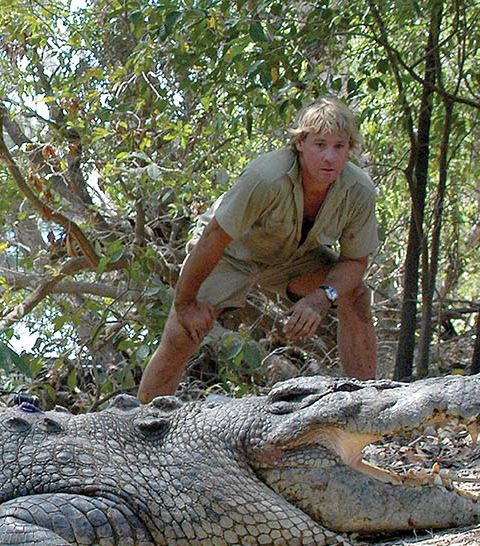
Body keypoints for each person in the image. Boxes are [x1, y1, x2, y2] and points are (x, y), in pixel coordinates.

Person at [137, 97, 379, 401]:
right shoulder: (266, 177)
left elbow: (355, 261)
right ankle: (144, 424)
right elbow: (213, 238)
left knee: (355, 293)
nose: (329, 157)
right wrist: (185, 305)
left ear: (349, 148)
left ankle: (368, 403)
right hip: (231, 253)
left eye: (339, 146)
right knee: (182, 332)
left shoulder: (358, 190)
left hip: (293, 259)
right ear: (300, 143)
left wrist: (322, 296)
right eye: (320, 145)